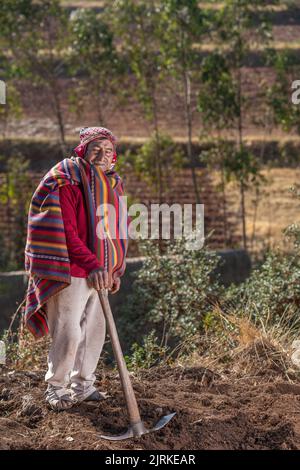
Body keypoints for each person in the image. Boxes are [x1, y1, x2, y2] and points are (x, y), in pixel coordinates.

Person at [24, 127, 129, 411]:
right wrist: (93, 265)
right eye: (96, 148)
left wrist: (115, 269)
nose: (102, 155)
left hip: (100, 273)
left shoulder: (112, 184)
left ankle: (82, 386)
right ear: (82, 149)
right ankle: (56, 388)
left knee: (95, 331)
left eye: (108, 150)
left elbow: (117, 231)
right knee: (68, 331)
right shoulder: (65, 180)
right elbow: (65, 232)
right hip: (72, 270)